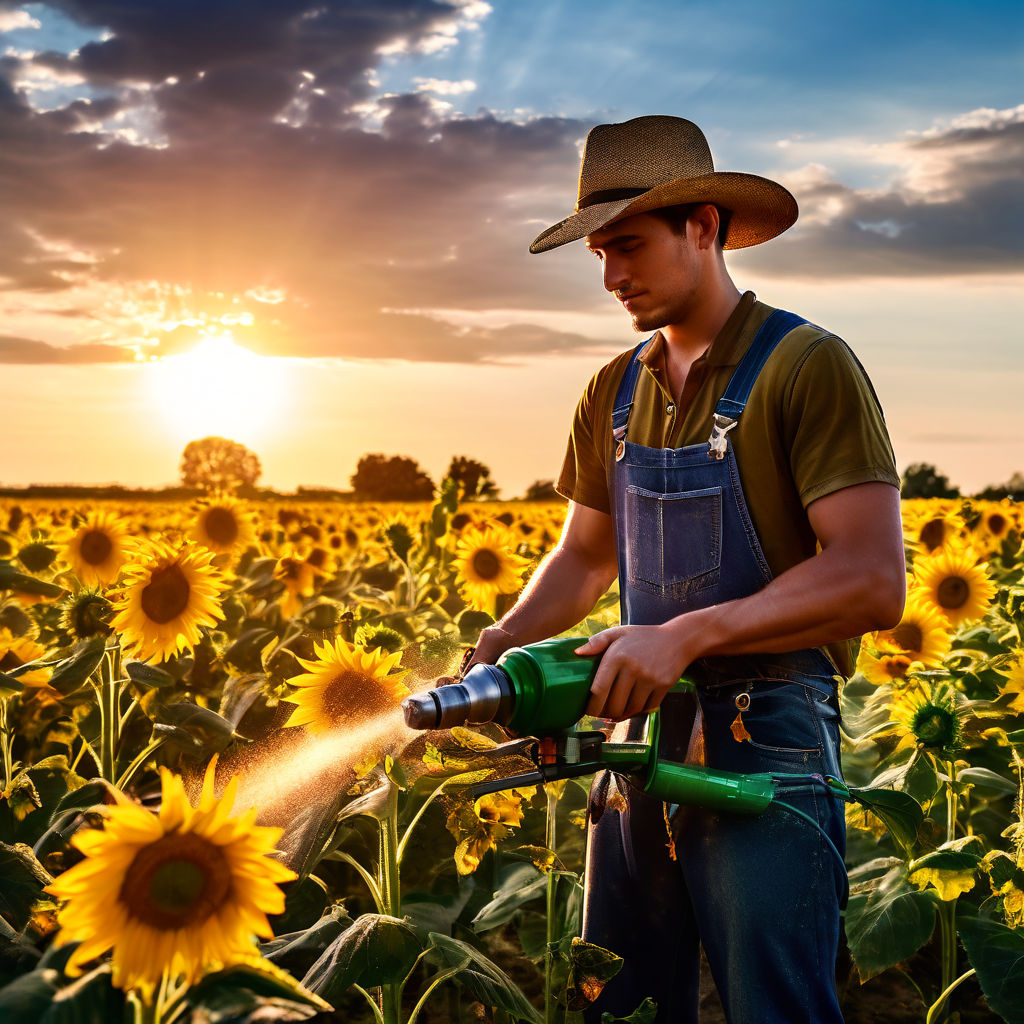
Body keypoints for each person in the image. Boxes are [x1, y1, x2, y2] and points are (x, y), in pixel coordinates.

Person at [464, 115, 906, 1022]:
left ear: (702, 227)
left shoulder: (806, 366)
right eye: (597, 253)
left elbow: (871, 579)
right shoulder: (614, 390)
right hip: (637, 737)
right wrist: (506, 639)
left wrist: (688, 634)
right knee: (618, 1001)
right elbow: (586, 557)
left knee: (771, 1007)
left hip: (767, 735)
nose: (609, 276)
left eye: (626, 246)